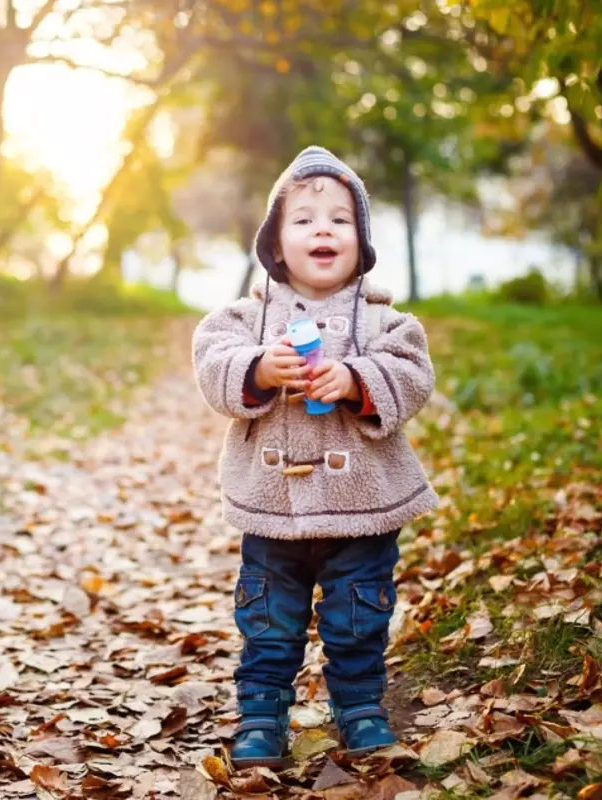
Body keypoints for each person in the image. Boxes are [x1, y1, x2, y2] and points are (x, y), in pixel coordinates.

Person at [191, 146, 439, 768]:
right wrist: (256, 367)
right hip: (273, 509)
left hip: (362, 506)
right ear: (275, 241)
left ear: (362, 240)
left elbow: (413, 374)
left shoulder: (385, 319)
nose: (322, 229)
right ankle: (260, 715)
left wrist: (358, 381)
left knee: (359, 617)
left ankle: (359, 709)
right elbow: (211, 358)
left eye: (339, 219)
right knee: (268, 622)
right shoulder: (247, 317)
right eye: (302, 219)